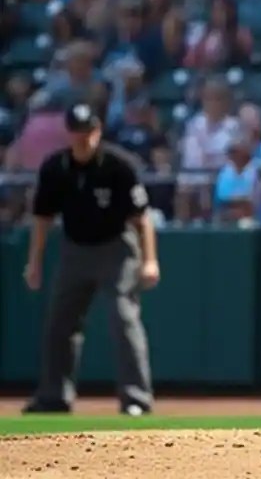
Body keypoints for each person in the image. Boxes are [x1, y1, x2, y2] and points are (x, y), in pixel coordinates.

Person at [22, 104, 160, 416]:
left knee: (124, 318)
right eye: (78, 132)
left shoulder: (118, 165)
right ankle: (53, 397)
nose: (84, 138)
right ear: (69, 133)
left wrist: (150, 260)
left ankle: (136, 399)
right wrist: (34, 262)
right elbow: (42, 219)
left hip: (117, 249)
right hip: (76, 249)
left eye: (89, 131)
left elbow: (142, 219)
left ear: (97, 131)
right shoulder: (55, 167)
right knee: (60, 323)